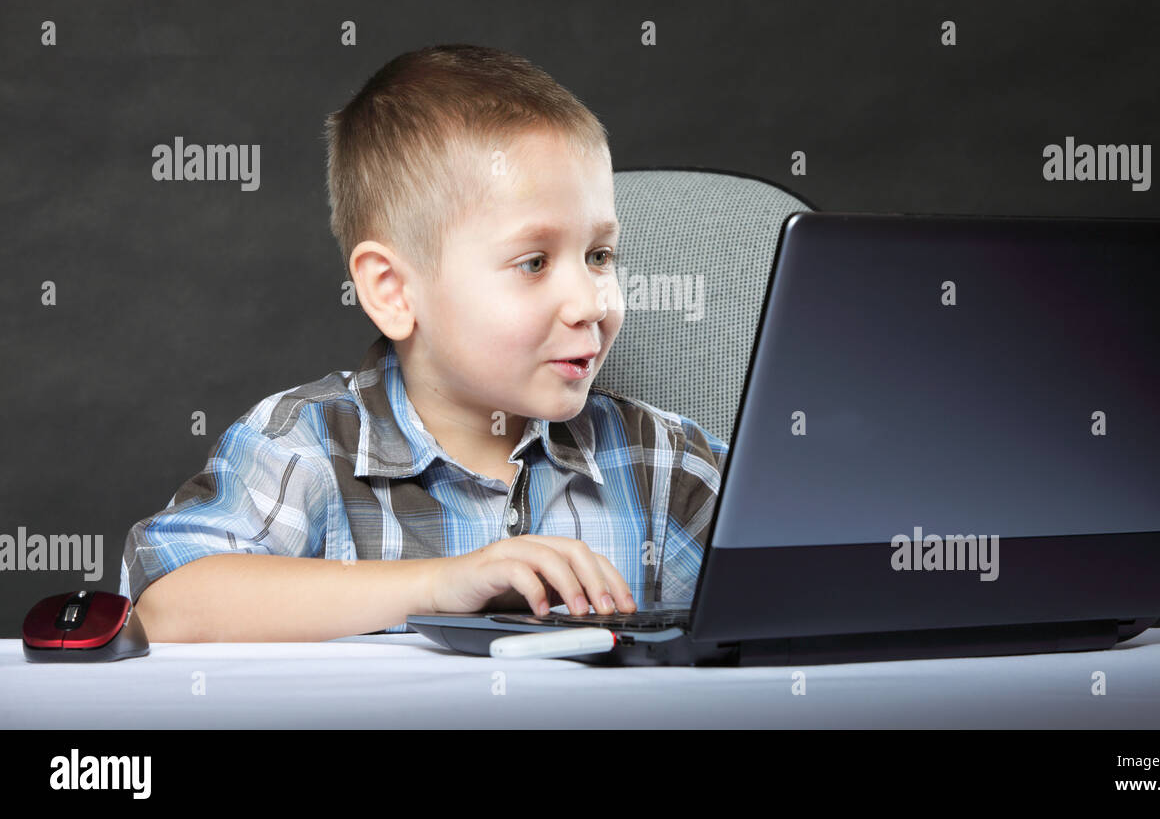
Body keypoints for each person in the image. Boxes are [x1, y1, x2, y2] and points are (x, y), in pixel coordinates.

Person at [118, 45, 729, 642]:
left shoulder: (660, 463)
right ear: (393, 292)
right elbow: (166, 602)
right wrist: (439, 585)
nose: (593, 303)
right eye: (534, 262)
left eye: (599, 255)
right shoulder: (306, 446)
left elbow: (799, 594)